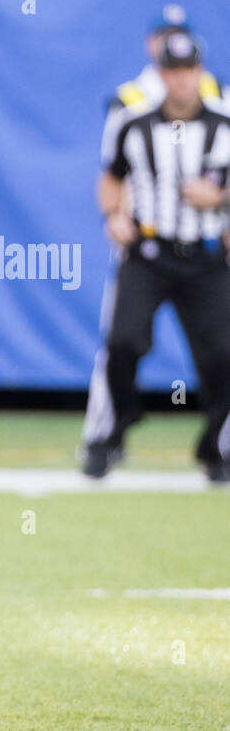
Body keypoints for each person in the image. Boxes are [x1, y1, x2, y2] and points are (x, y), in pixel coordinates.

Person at [85, 30, 230, 482]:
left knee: (223, 354)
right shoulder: (133, 122)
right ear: (162, 75)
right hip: (147, 253)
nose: (182, 81)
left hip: (207, 258)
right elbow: (110, 178)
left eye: (189, 71)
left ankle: (215, 447)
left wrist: (219, 200)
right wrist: (113, 216)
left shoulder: (225, 125)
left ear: (200, 74)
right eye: (173, 71)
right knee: (123, 342)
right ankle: (114, 432)